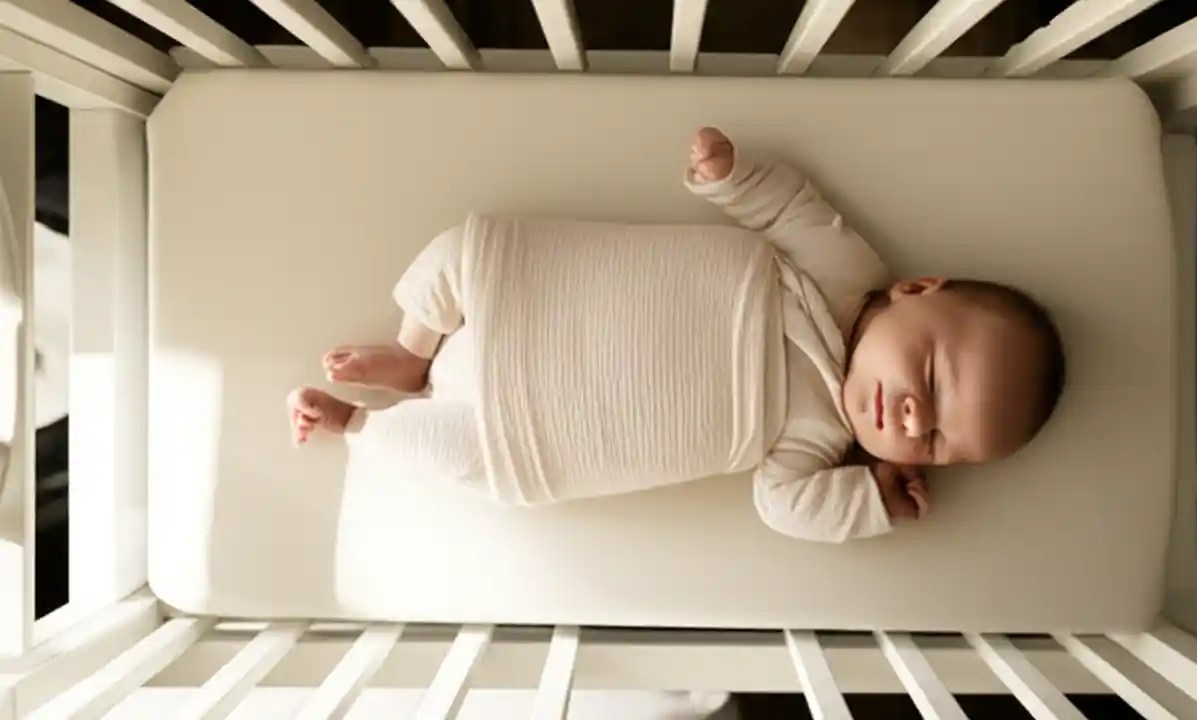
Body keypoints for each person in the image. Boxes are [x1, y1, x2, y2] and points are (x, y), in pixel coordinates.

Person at [286, 127, 1065, 542]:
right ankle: (412, 351)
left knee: (450, 457)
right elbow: (789, 209)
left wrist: (867, 500)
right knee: (458, 255)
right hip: (531, 298)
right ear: (916, 291)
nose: (913, 418)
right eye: (932, 380)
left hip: (529, 433)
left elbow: (784, 510)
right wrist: (733, 177)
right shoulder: (844, 271)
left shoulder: (815, 440)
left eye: (934, 442)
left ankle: (357, 423)